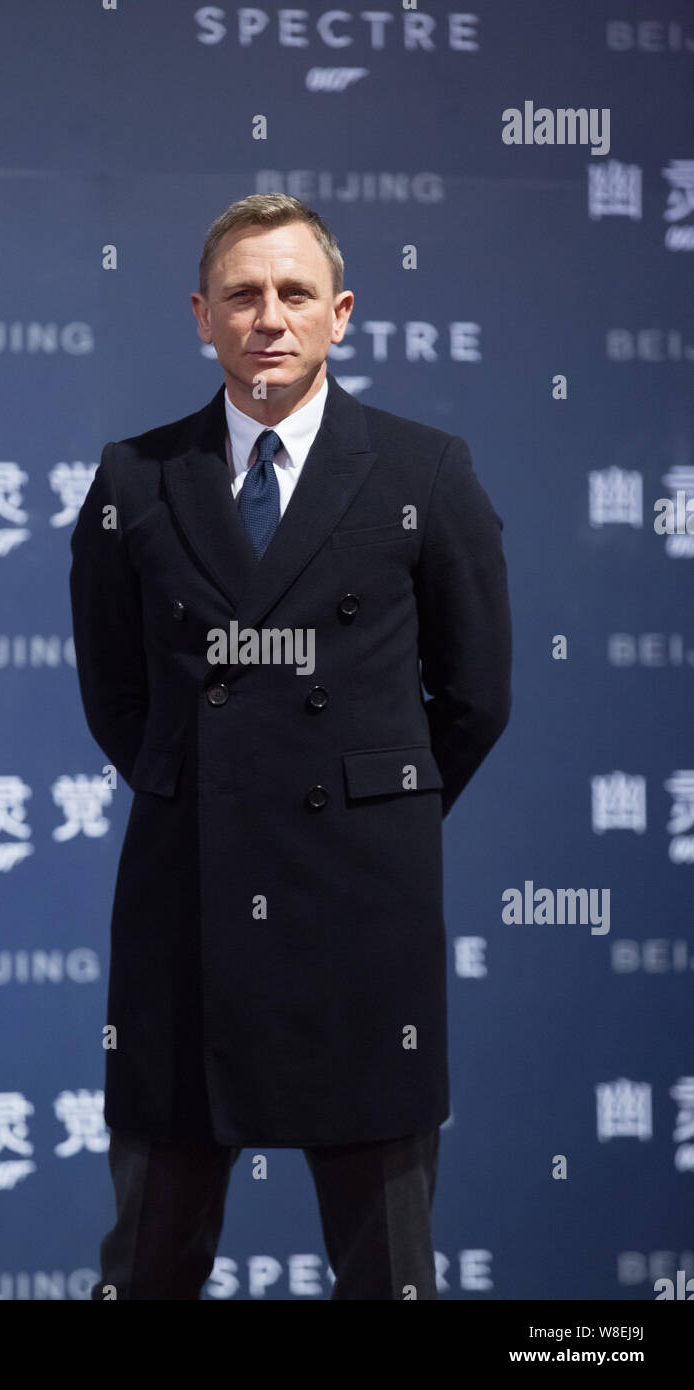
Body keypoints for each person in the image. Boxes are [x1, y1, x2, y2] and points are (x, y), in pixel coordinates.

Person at [69, 193, 512, 1300]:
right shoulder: (134, 478)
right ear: (201, 317)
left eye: (294, 292)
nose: (269, 317)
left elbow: (474, 696)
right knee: (148, 1266)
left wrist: (373, 809)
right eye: (242, 295)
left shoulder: (422, 472)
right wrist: (214, 795)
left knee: (386, 1270)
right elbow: (117, 696)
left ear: (340, 313)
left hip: (361, 915)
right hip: (187, 908)